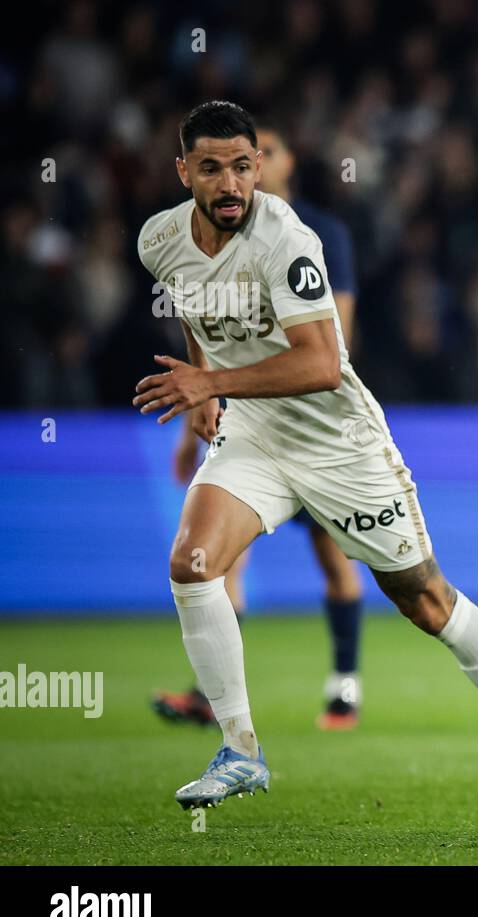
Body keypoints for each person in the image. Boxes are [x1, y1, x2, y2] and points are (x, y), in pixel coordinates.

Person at [135, 100, 478, 818]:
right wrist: (204, 381)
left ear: (260, 167)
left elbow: (324, 363)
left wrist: (208, 381)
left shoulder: (286, 240)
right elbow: (195, 305)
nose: (232, 183)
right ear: (184, 172)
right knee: (193, 564)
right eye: (212, 168)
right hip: (253, 435)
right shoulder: (159, 240)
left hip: (339, 443)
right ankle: (240, 749)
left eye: (244, 165)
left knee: (424, 600)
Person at [154, 120, 366, 732]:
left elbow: (335, 340)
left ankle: (344, 688)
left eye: (260, 156)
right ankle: (212, 695)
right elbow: (206, 338)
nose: (247, 170)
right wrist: (189, 422)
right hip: (247, 421)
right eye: (227, 163)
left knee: (334, 558)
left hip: (314, 422)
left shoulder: (321, 234)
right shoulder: (212, 242)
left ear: (286, 161)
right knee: (223, 559)